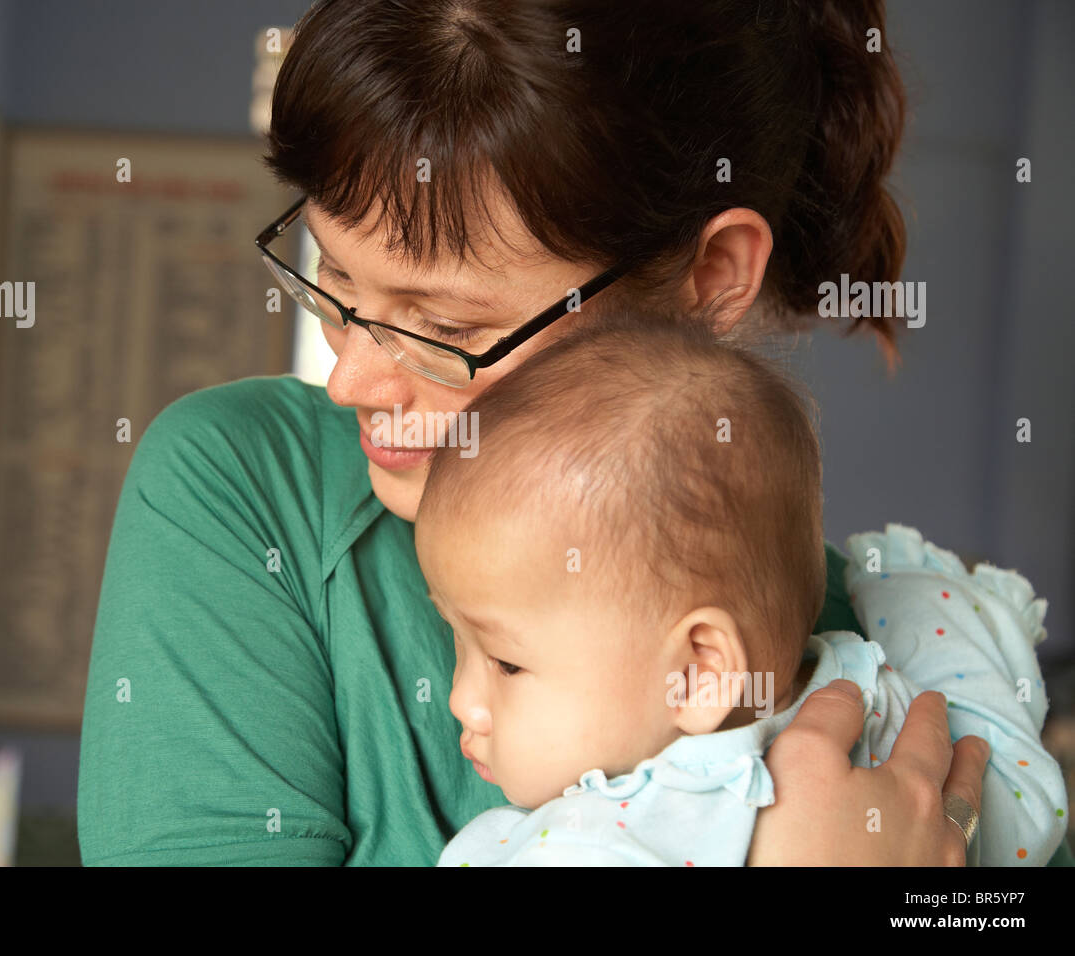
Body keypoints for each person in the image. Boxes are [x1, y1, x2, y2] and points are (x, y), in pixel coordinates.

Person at [77, 0, 1072, 865]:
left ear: (714, 275)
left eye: (449, 329)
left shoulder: (901, 685)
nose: (351, 379)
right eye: (336, 280)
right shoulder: (247, 491)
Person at [412, 315, 1067, 866]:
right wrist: (921, 592)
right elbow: (1019, 804)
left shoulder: (588, 847)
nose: (461, 699)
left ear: (699, 672)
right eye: (459, 642)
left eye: (506, 662)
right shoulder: (883, 707)